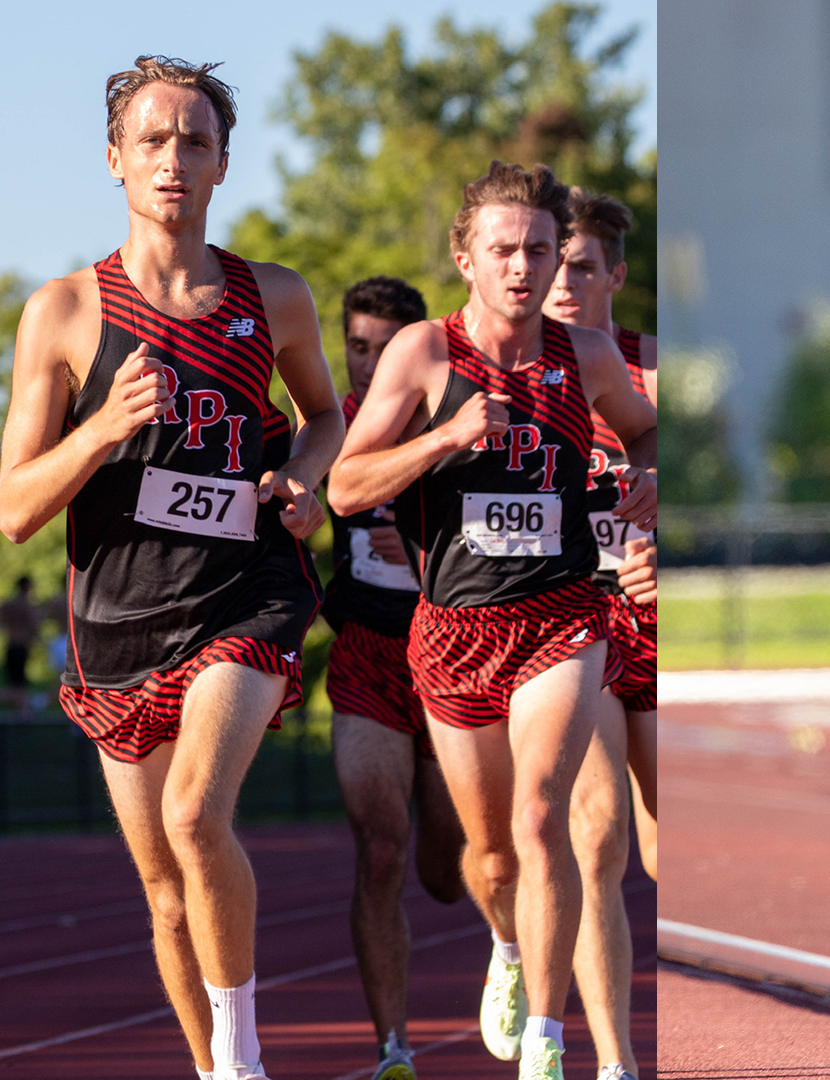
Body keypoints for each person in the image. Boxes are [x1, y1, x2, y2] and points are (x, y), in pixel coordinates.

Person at [0, 56, 343, 1080]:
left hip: (246, 593)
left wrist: (302, 477)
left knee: (197, 815)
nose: (174, 159)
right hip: (117, 624)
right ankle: (215, 1070)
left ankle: (244, 1057)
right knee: (162, 892)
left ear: (225, 162)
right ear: (114, 159)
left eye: (196, 140)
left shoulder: (271, 297)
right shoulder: (62, 313)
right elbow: (16, 508)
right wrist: (102, 426)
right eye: (153, 139)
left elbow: (324, 417)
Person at [327, 161, 657, 1080]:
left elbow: (648, 431)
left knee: (546, 816)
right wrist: (441, 438)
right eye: (504, 249)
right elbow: (347, 483)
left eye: (540, 251)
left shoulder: (583, 357)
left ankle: (547, 1048)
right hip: (453, 628)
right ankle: (508, 950)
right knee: (495, 853)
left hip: (560, 617)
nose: (523, 268)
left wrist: (653, 481)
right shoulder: (424, 355)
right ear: (464, 255)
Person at [322, 275, 467, 1080]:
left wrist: (417, 553)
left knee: (448, 875)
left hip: (452, 652)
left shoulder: (456, 417)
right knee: (379, 850)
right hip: (368, 656)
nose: (372, 363)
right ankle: (394, 1051)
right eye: (358, 346)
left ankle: (509, 950)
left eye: (387, 348)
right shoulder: (325, 428)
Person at [541, 187, 658, 1080]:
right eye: (554, 263)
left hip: (658, 626)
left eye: (584, 267)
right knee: (596, 834)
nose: (565, 282)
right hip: (573, 621)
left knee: (662, 845)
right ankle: (615, 1062)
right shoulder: (512, 375)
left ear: (615, 274)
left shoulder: (652, 371)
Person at [0, 575, 44, 707]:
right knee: (18, 687)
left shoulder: (9, 604)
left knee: (16, 684)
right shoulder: (26, 605)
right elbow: (34, 625)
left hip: (10, 645)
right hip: (20, 647)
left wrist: (4, 624)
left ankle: (20, 713)